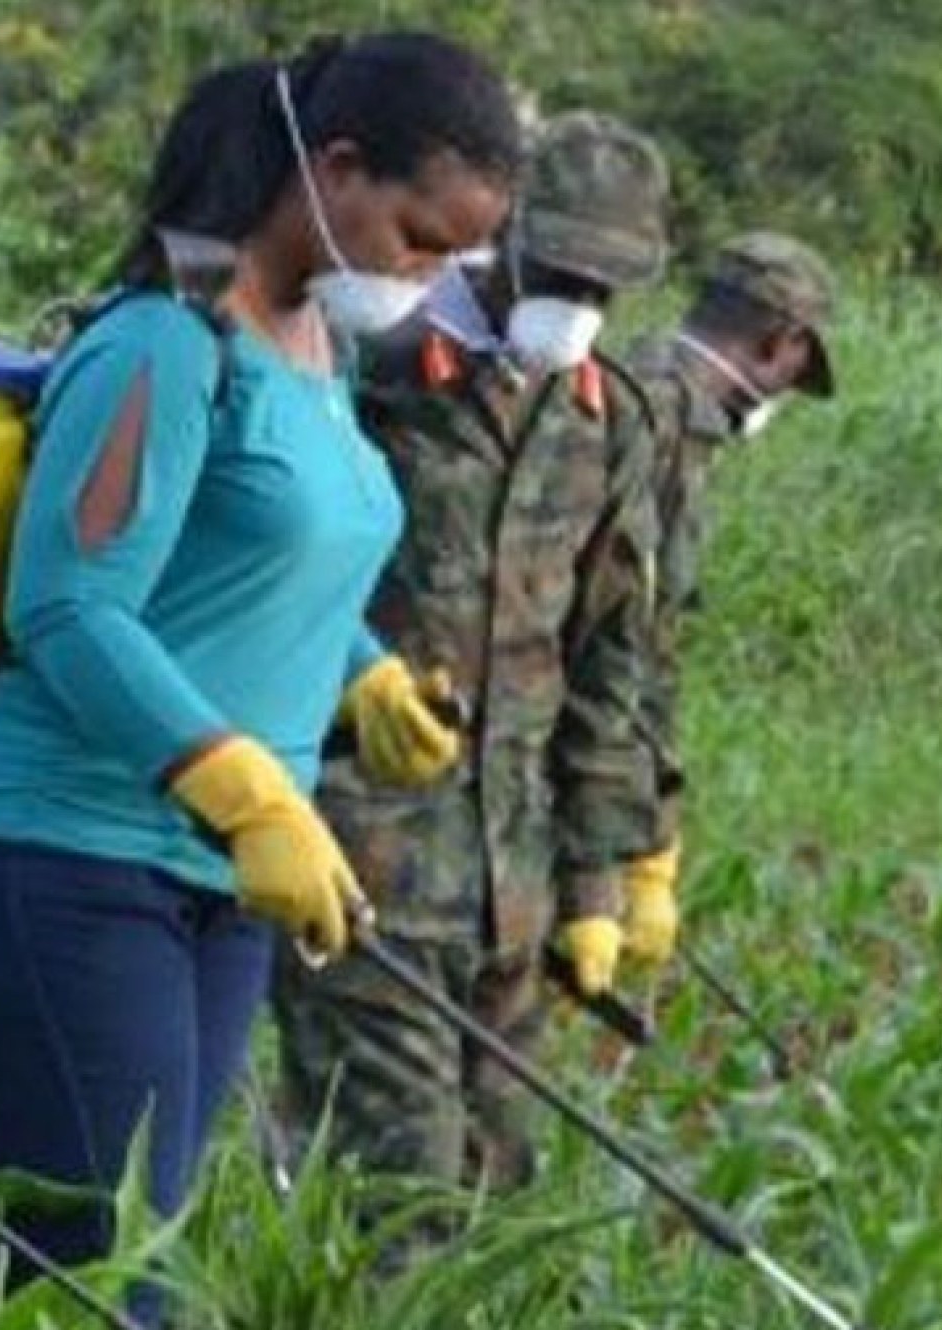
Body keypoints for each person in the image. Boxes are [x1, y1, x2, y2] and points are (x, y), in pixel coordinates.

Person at [0, 34, 518, 1325]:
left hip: (220, 873)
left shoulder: (318, 352)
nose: (431, 277)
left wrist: (365, 683)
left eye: (459, 257)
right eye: (419, 235)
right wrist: (234, 786)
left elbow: (261, 571)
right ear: (336, 169)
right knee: (94, 1270)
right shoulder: (164, 346)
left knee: (133, 1251)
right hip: (60, 846)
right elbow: (69, 604)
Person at [273, 111, 669, 1197]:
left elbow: (611, 663)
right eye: (561, 270)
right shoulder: (367, 362)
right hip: (354, 851)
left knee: (500, 1192)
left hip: (516, 880)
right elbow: (269, 577)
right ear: (502, 230)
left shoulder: (607, 418)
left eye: (606, 288)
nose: (579, 304)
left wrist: (601, 875)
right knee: (395, 1192)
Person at [622, 232, 838, 937]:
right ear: (781, 342)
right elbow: (627, 647)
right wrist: (647, 838)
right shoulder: (662, 427)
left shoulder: (631, 382)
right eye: (794, 375)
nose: (783, 398)